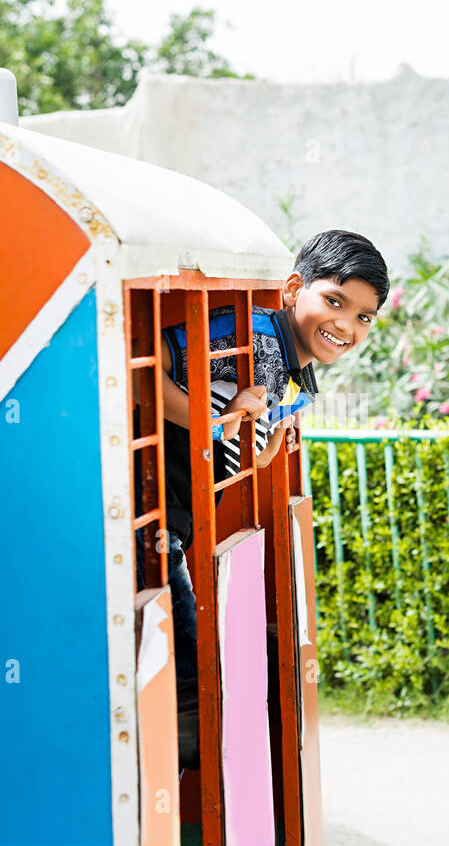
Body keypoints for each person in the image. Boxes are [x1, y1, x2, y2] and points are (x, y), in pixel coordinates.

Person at [134, 229, 390, 770]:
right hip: (145, 516)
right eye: (335, 301)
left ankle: (173, 775)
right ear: (295, 288)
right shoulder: (253, 336)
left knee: (193, 663)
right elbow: (143, 369)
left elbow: (247, 440)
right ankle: (161, 788)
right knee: (187, 671)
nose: (346, 324)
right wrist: (212, 417)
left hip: (173, 525)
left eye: (364, 316)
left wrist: (268, 438)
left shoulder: (298, 374)